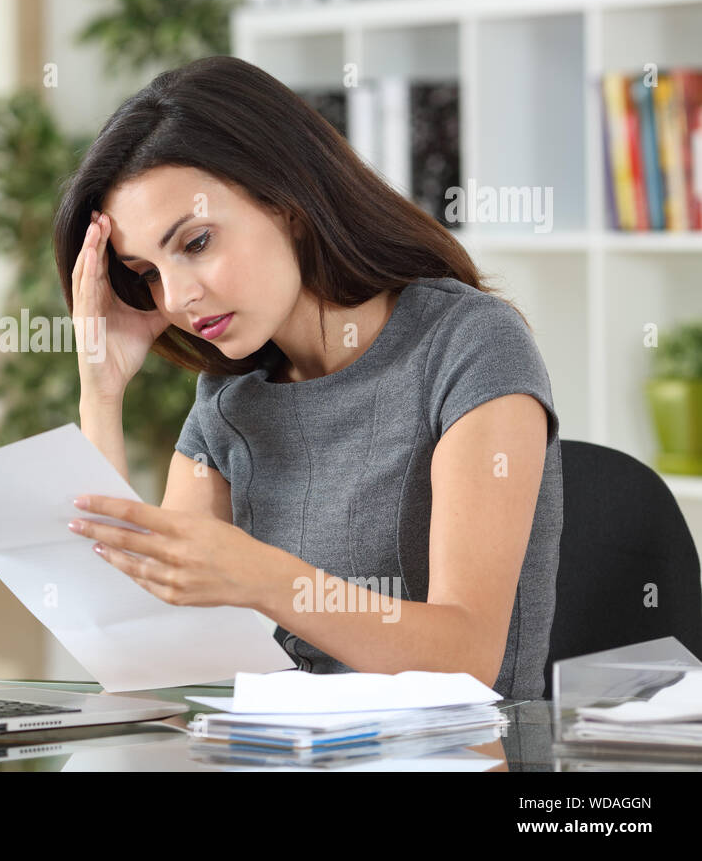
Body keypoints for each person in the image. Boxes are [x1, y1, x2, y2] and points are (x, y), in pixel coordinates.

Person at [53, 55, 561, 700]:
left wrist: (262, 578)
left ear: (286, 203)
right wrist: (101, 391)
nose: (176, 296)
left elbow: (465, 658)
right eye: (147, 272)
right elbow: (146, 649)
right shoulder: (232, 397)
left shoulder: (468, 345)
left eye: (197, 243)